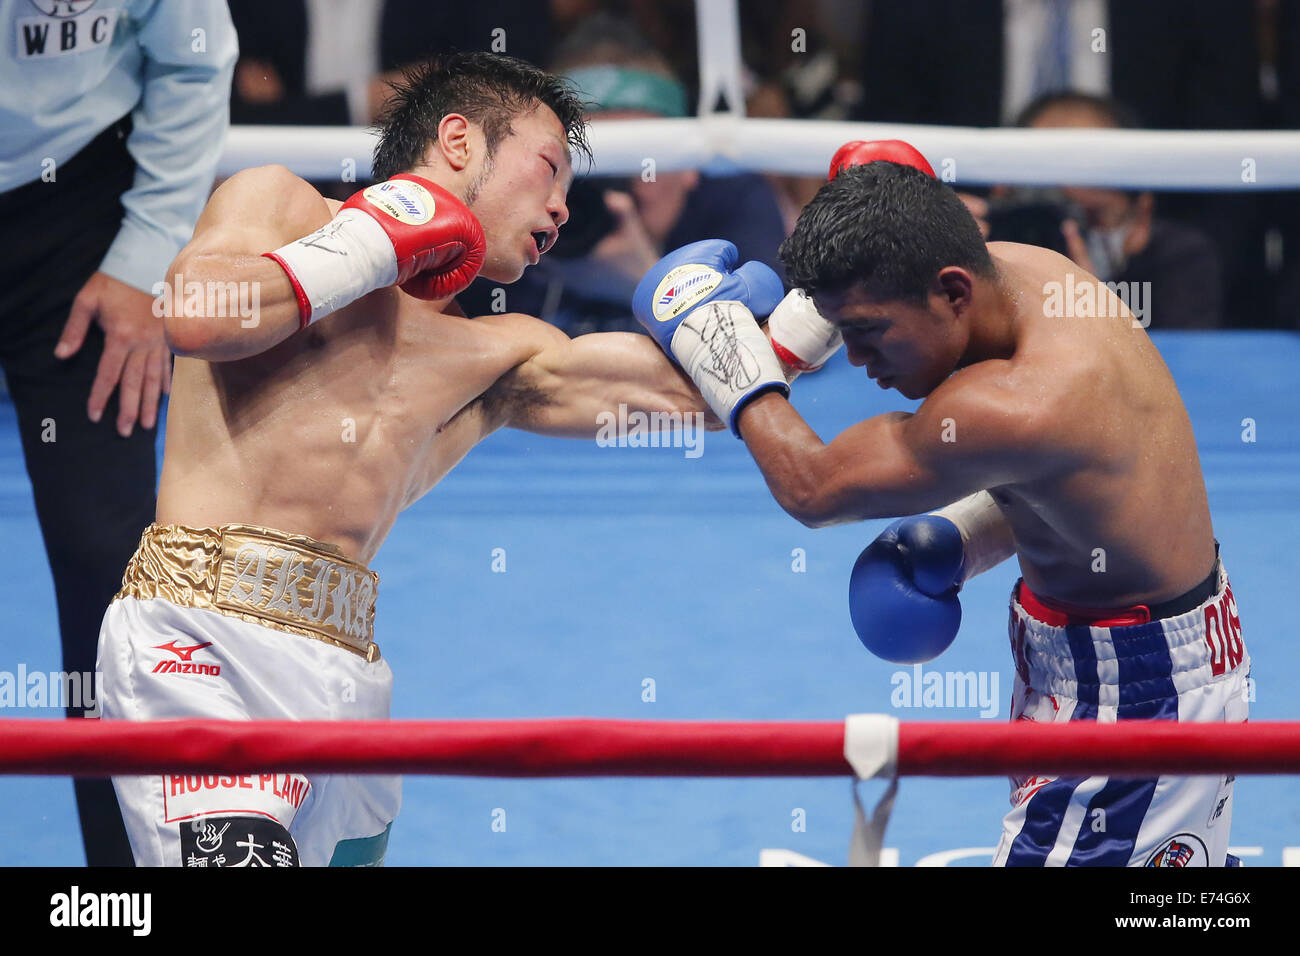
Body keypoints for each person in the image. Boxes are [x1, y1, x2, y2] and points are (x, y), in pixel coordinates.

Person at [94, 51, 784, 868]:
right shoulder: (280, 203)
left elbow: (698, 405)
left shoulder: (494, 356)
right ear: (458, 141)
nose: (563, 208)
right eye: (550, 168)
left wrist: (777, 331)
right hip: (199, 643)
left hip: (343, 673)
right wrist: (369, 242)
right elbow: (198, 314)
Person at [632, 146, 1250, 867]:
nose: (859, 362)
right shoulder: (1028, 273)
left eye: (867, 333)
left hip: (1130, 695)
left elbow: (813, 487)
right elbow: (1072, 479)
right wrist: (959, 539)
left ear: (953, 293)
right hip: (1153, 652)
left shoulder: (1015, 403)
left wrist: (723, 349)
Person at [0, 0, 237, 866]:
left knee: (112, 575)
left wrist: (145, 257)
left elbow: (194, 58)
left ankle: (128, 891)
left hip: (78, 217)